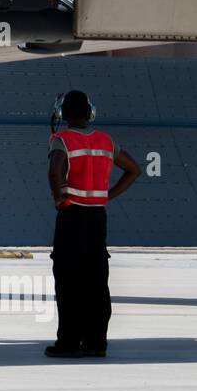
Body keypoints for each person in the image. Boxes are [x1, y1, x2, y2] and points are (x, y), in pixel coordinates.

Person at [45, 90, 139, 359]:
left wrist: (58, 196)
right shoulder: (106, 142)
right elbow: (134, 170)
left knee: (68, 280)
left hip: (72, 215)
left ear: (63, 114)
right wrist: (109, 194)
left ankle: (69, 343)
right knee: (97, 281)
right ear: (90, 112)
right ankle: (97, 342)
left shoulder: (62, 139)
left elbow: (54, 171)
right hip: (98, 218)